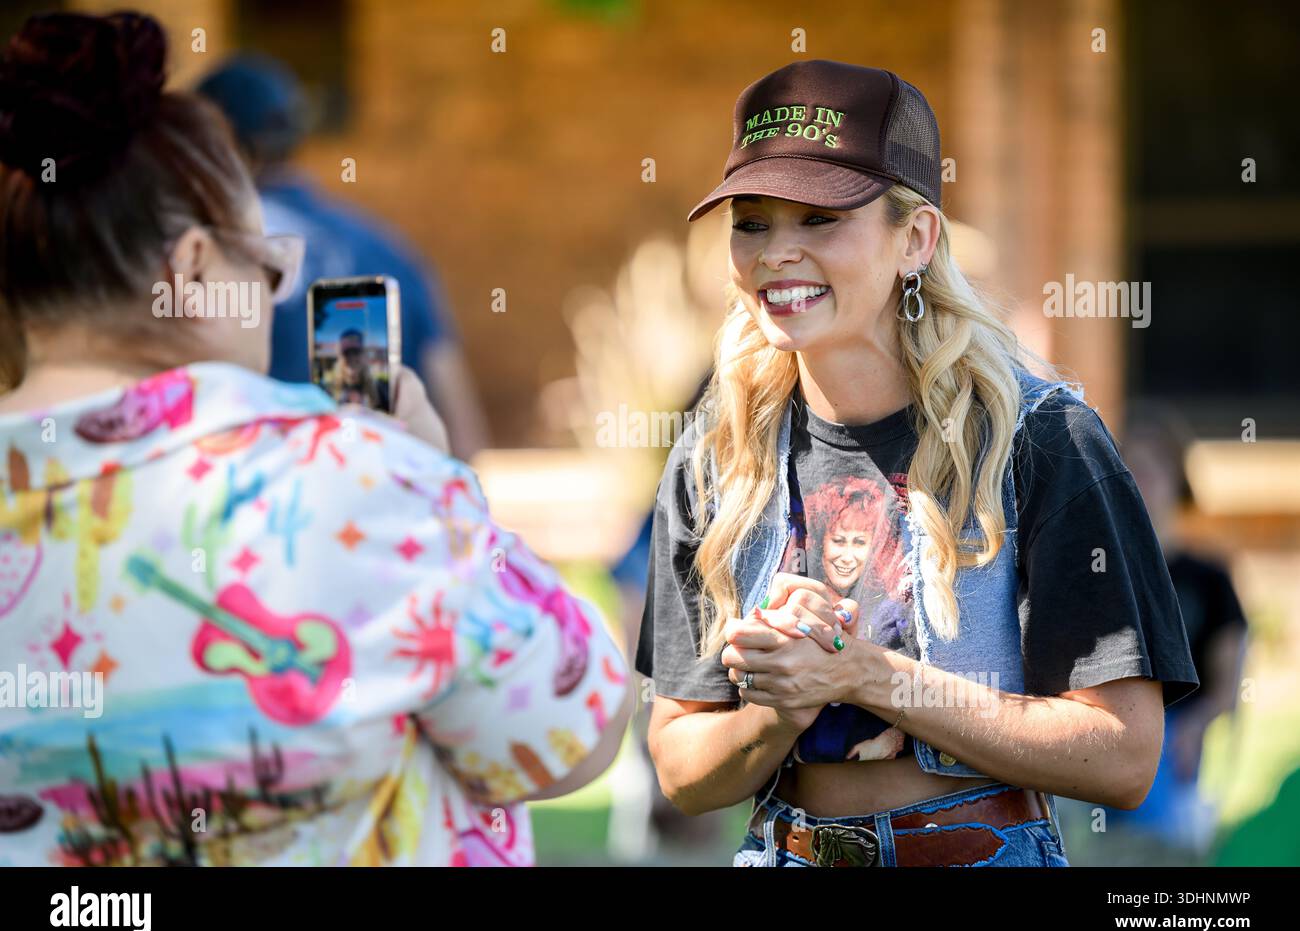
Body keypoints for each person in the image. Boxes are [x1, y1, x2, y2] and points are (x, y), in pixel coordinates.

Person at [0, 11, 630, 867]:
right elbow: (570, 735)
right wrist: (444, 497)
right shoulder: (358, 484)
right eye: (265, 264)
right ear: (191, 269)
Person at [635, 59, 1200, 867]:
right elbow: (683, 771)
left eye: (820, 220)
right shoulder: (717, 454)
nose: (776, 254)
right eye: (752, 222)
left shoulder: (1043, 439)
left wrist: (869, 675)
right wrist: (782, 707)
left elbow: (1121, 755)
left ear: (916, 238)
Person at [196, 55, 491, 461]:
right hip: (376, 504)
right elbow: (462, 432)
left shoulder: (205, 257)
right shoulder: (384, 248)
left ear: (213, 143)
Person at [1065, 403, 1248, 865]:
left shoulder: (1207, 576)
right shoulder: (1099, 568)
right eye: (1132, 470)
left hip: (1171, 744)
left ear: (1177, 480)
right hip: (1093, 732)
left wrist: (1196, 725)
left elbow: (1231, 686)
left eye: (1154, 469)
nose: (1143, 482)